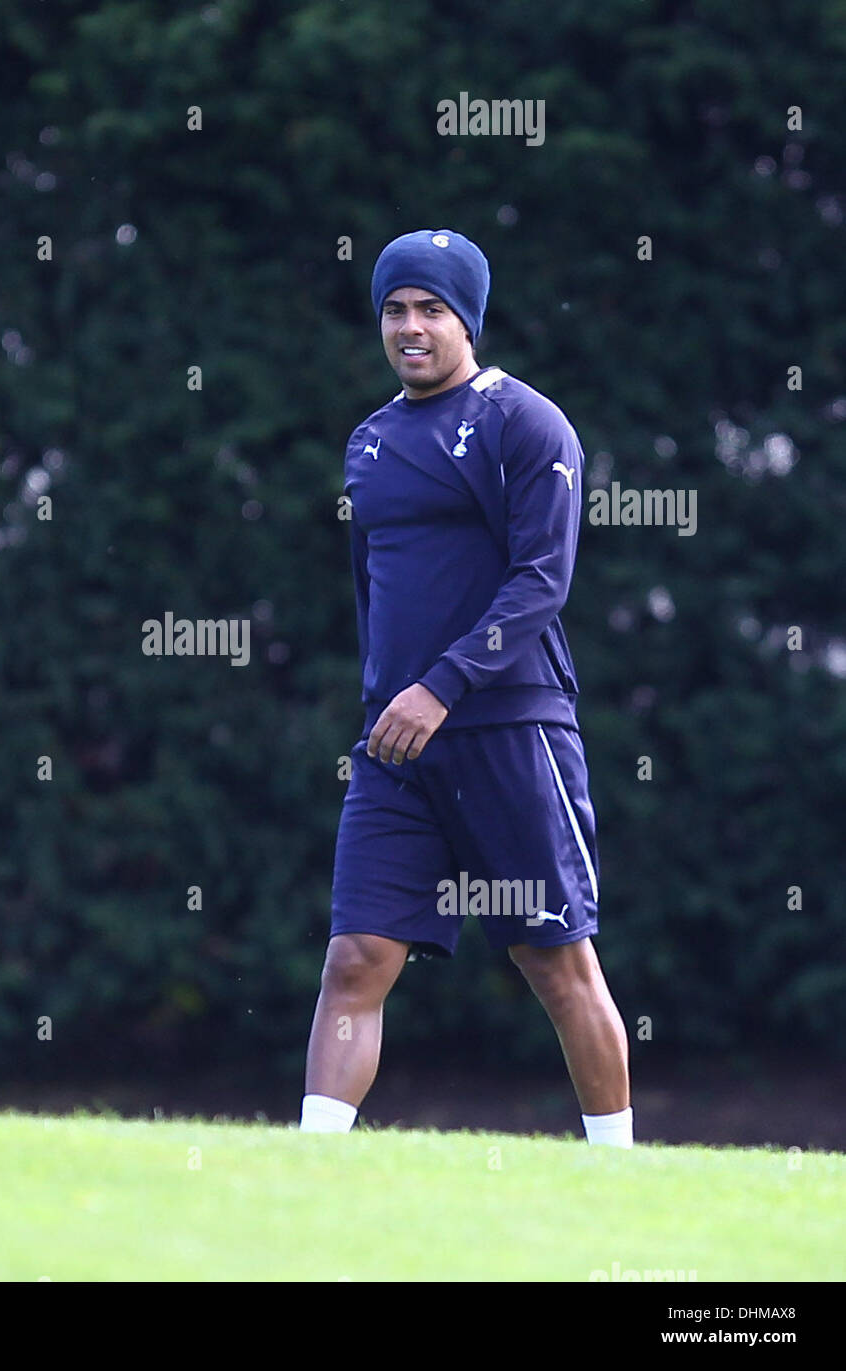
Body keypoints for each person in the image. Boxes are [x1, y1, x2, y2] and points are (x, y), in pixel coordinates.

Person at [300, 229, 632, 1146]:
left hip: (511, 730)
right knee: (355, 957)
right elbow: (373, 591)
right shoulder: (368, 442)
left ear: (468, 319)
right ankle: (307, 1176)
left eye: (431, 309)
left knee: (555, 961)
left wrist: (442, 686)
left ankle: (621, 1177)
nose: (411, 327)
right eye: (395, 310)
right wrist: (385, 704)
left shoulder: (525, 423)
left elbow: (541, 580)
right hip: (396, 743)